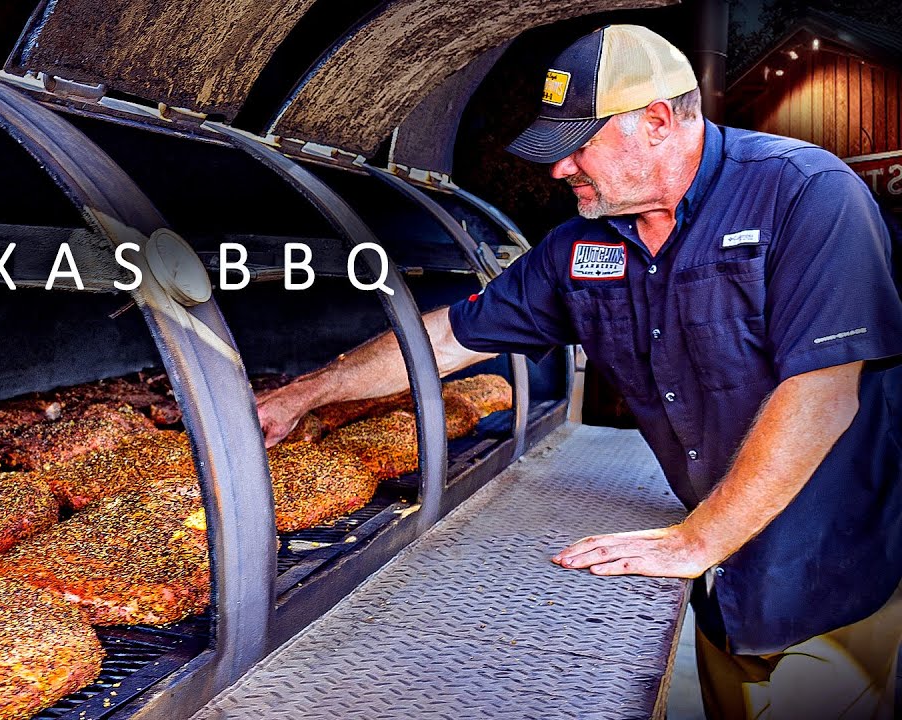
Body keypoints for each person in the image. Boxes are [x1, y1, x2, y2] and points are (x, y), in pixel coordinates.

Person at [256, 24, 902, 720]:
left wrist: (700, 538)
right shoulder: (581, 247)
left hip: (832, 572)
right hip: (720, 579)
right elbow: (449, 336)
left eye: (577, 148)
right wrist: (301, 395)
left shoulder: (805, 194)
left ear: (656, 121)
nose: (559, 171)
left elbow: (824, 392)